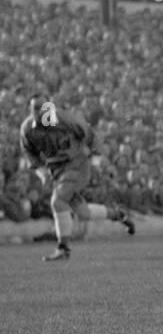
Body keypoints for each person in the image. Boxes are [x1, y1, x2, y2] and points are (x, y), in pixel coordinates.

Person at [19, 95, 134, 261]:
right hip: (57, 172)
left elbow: (90, 135)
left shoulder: (64, 119)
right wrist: (43, 174)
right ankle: (118, 214)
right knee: (83, 213)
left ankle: (63, 249)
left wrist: (99, 160)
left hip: (77, 165)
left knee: (57, 201)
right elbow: (32, 158)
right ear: (29, 109)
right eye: (36, 107)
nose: (40, 111)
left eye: (43, 107)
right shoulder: (27, 130)